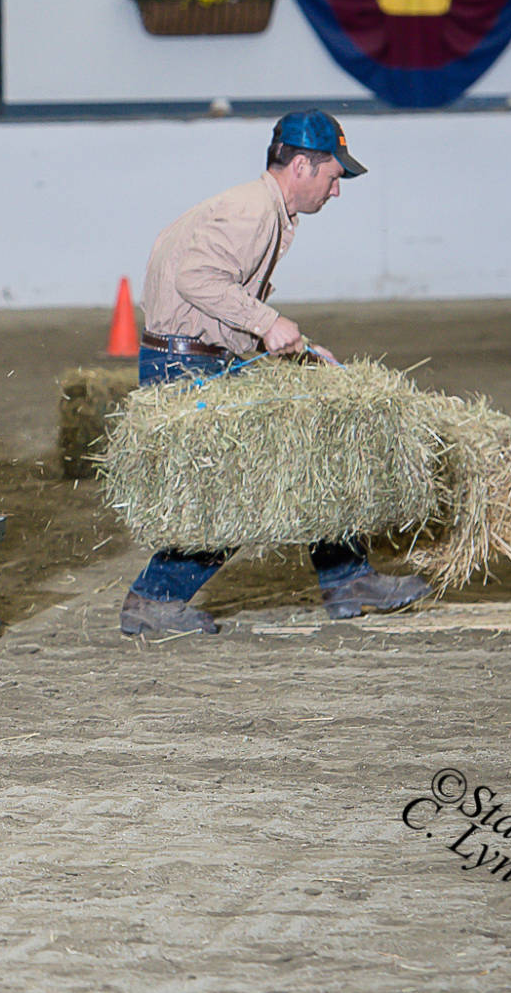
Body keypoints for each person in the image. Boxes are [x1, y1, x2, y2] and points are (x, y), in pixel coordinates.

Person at [119, 112, 431, 638]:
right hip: (188, 364)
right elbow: (197, 278)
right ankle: (153, 599)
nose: (336, 191)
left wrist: (296, 349)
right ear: (303, 165)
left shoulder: (252, 207)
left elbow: (205, 295)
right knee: (237, 491)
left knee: (307, 450)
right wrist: (267, 322)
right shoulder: (251, 212)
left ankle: (346, 576)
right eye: (334, 176)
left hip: (195, 356)